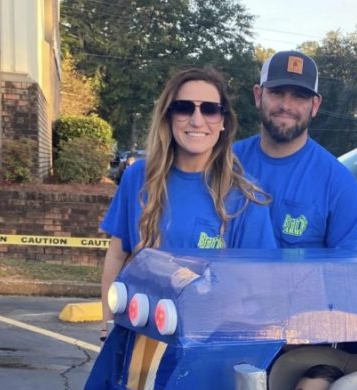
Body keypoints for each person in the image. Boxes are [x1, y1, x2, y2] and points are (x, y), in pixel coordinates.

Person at [98, 67, 277, 340]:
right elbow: (116, 253)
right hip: (137, 340)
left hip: (206, 346)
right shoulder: (139, 177)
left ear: (223, 121)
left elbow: (258, 286)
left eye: (209, 109)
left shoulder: (245, 197)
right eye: (184, 108)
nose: (197, 120)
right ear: (169, 117)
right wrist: (108, 322)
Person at [234, 50, 357, 249]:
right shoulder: (226, 163)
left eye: (299, 96)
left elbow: (347, 273)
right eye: (277, 92)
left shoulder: (340, 185)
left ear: (315, 105)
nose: (286, 105)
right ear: (258, 95)